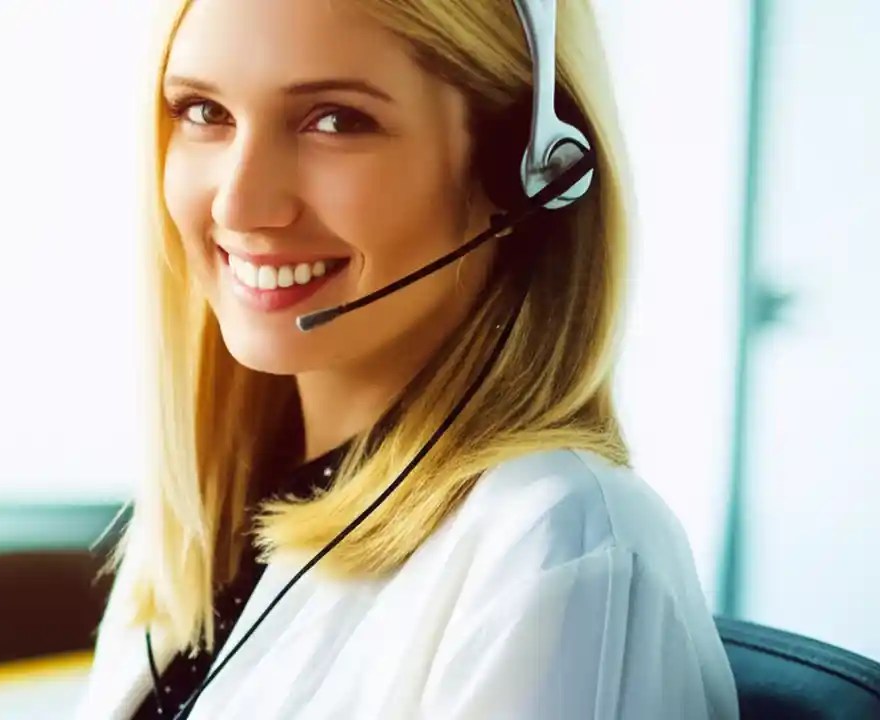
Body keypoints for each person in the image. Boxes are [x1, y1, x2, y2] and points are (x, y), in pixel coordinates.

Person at [77, 0, 739, 717]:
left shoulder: (558, 548)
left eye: (336, 120)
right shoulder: (211, 531)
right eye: (204, 111)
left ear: (525, 170)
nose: (240, 203)